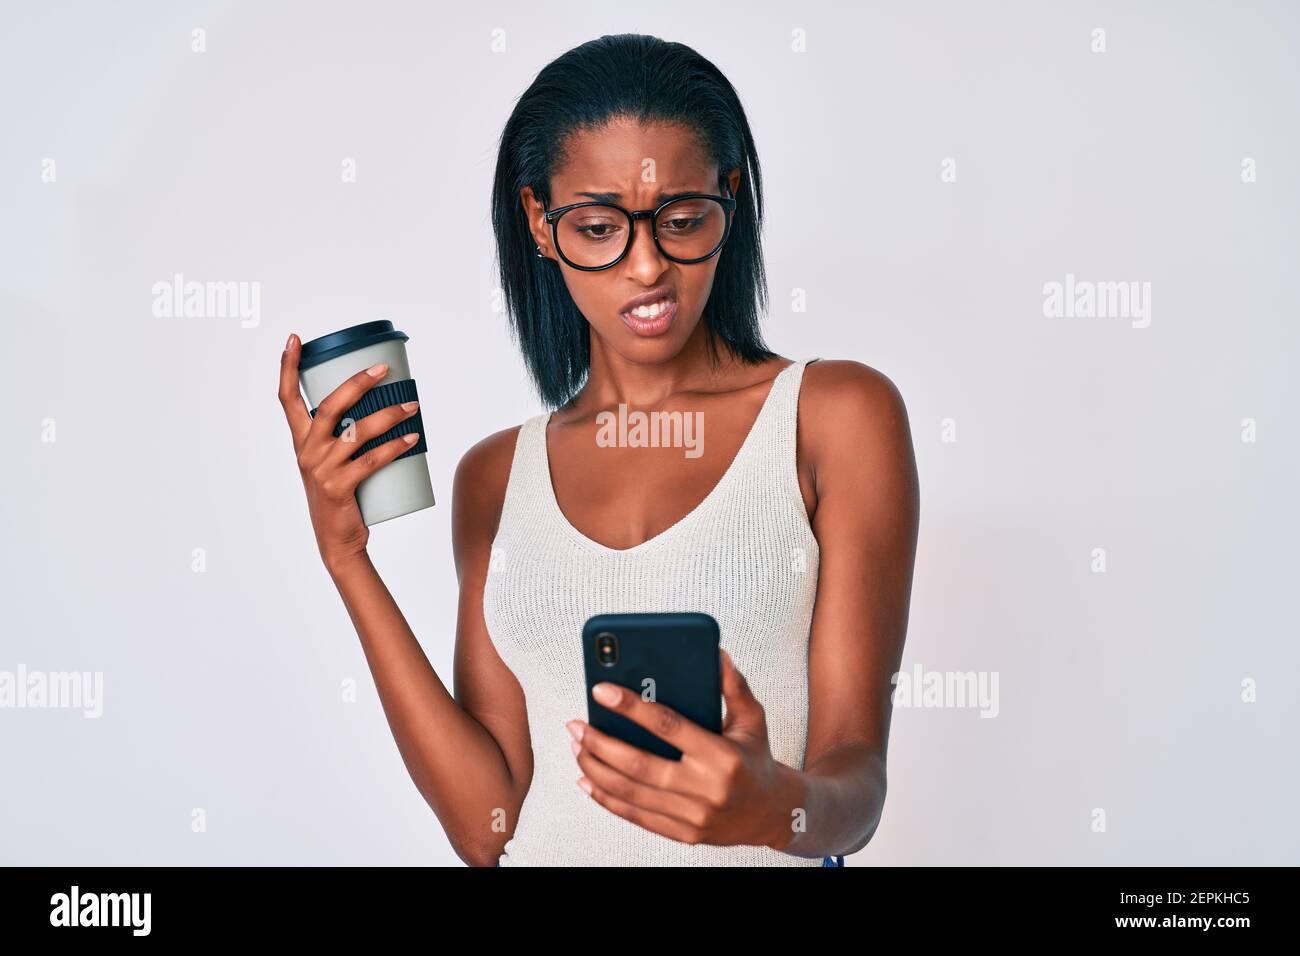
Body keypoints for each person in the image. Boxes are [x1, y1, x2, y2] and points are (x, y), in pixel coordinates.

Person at [277, 33, 919, 866]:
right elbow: (485, 828)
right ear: (541, 223)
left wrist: (773, 807)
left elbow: (855, 791)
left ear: (732, 198)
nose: (647, 267)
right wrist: (345, 556)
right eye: (598, 227)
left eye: (683, 220)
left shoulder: (837, 417)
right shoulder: (496, 477)